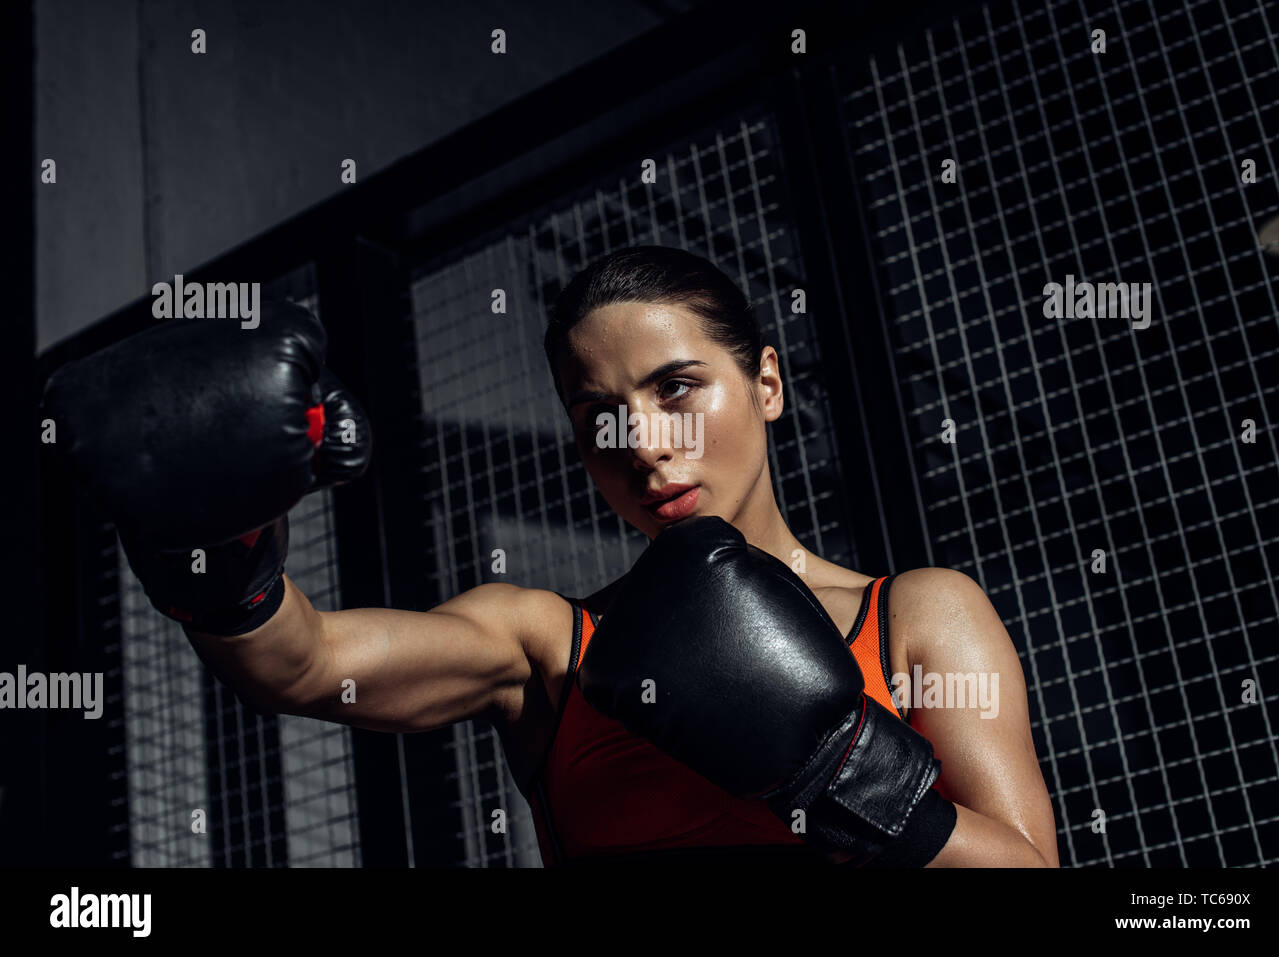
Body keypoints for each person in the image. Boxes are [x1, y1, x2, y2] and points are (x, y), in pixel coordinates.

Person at [42, 245, 1057, 867]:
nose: (646, 445)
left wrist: (844, 776)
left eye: (677, 389)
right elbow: (303, 664)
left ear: (768, 385)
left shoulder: (922, 616)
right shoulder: (548, 644)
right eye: (600, 417)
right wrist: (214, 541)